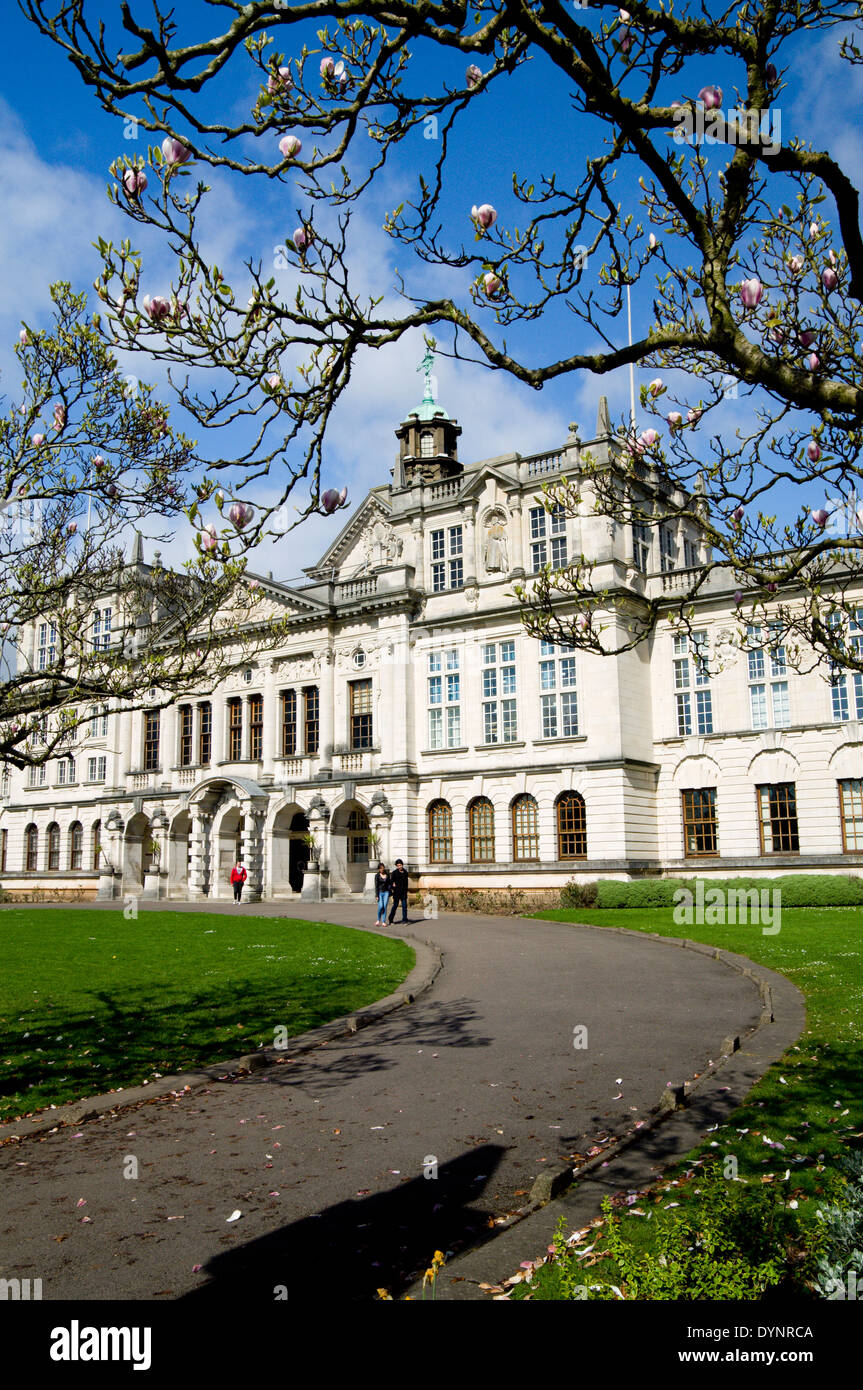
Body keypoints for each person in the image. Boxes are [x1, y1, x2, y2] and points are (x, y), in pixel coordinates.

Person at [388, 858, 409, 925]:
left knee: (404, 906)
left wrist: (406, 891)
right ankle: (390, 919)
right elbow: (391, 882)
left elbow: (406, 883)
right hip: (397, 892)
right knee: (395, 906)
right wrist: (393, 886)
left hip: (403, 892)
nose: (399, 867)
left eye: (400, 865)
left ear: (402, 865)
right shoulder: (394, 873)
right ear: (396, 866)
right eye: (398, 865)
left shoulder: (405, 872)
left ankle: (404, 919)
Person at [374, 862, 391, 927]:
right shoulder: (377, 876)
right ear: (379, 869)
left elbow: (389, 883)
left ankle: (383, 921)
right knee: (380, 906)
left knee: (384, 906)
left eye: (383, 868)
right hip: (380, 892)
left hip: (386, 892)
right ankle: (378, 920)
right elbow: (376, 886)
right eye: (380, 868)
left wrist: (390, 888)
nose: (382, 869)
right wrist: (376, 895)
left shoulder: (387, 874)